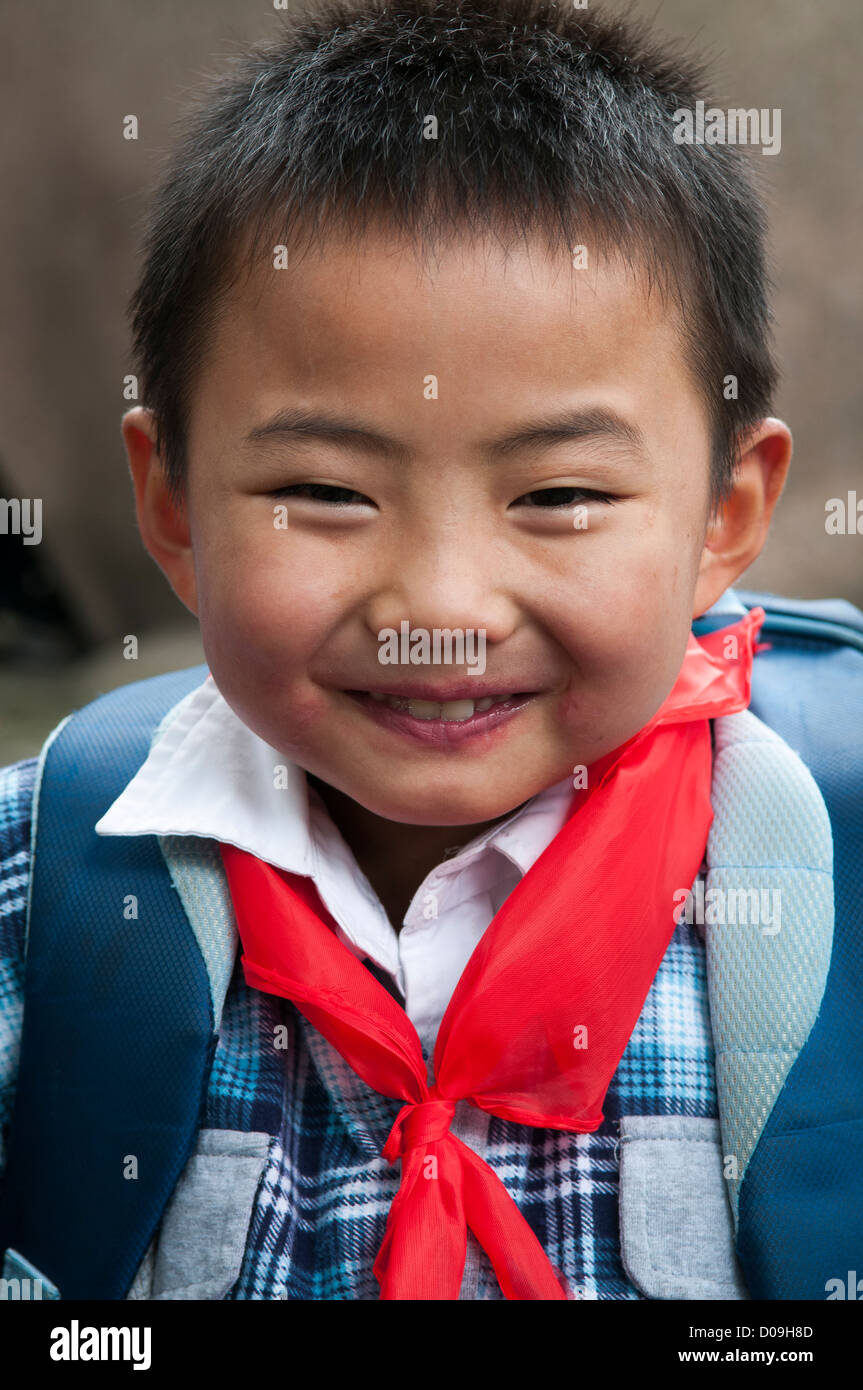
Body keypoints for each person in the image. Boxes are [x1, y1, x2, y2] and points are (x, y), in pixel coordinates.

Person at [1, 0, 860, 1302]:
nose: (440, 605)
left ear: (724, 516)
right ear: (171, 505)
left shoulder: (832, 877)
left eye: (560, 497)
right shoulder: (44, 881)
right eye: (331, 494)